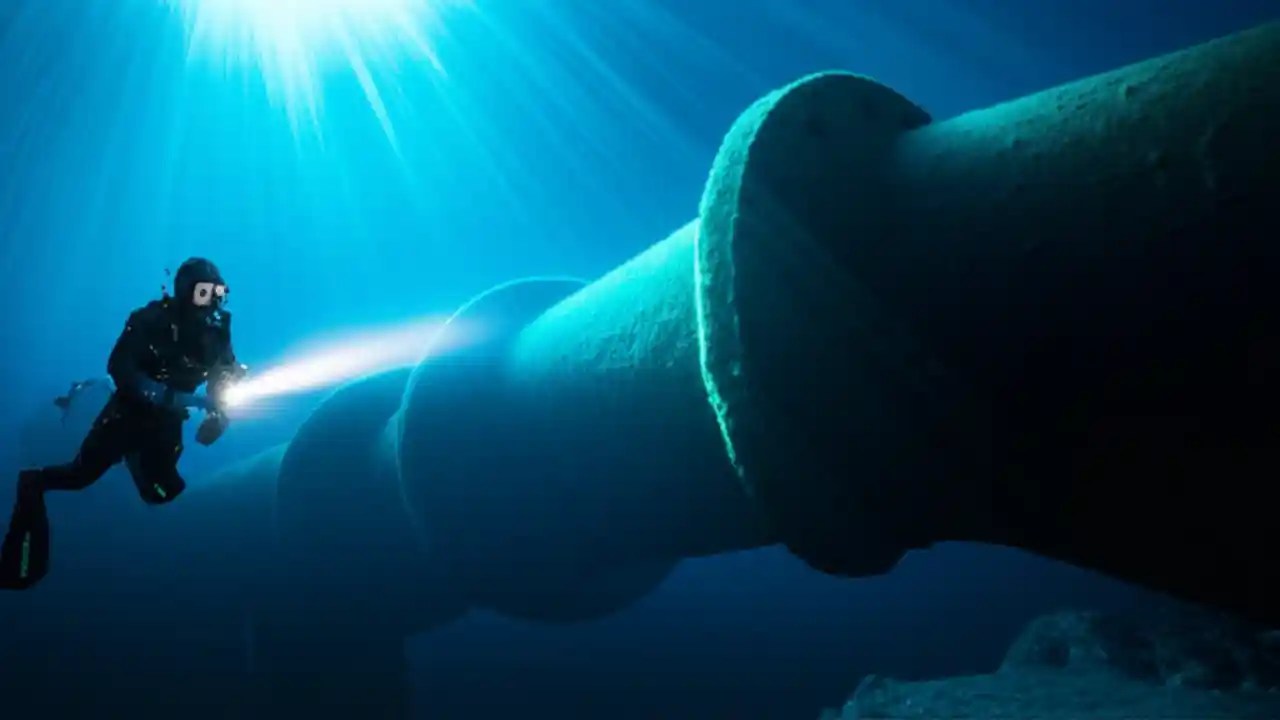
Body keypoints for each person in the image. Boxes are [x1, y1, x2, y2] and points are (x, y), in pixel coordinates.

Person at [0, 257, 246, 590]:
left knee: (163, 493)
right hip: (127, 414)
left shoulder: (218, 330)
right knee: (79, 476)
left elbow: (223, 371)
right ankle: (32, 484)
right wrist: (166, 396)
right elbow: (119, 366)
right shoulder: (150, 319)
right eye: (204, 293)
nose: (213, 303)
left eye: (219, 294)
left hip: (167, 420)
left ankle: (135, 459)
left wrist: (220, 412)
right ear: (185, 292)